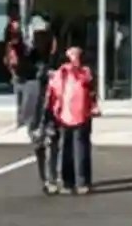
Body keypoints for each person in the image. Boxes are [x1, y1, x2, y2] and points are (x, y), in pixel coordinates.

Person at [47, 46, 99, 194]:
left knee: (72, 148)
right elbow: (91, 91)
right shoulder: (81, 73)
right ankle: (78, 182)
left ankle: (73, 182)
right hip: (75, 114)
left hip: (71, 115)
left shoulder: (68, 73)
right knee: (76, 148)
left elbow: (54, 92)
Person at [17, 26, 59, 194]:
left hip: (47, 108)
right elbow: (22, 75)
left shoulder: (52, 59)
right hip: (38, 108)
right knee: (42, 144)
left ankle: (50, 178)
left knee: (49, 142)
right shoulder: (31, 60)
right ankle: (47, 178)